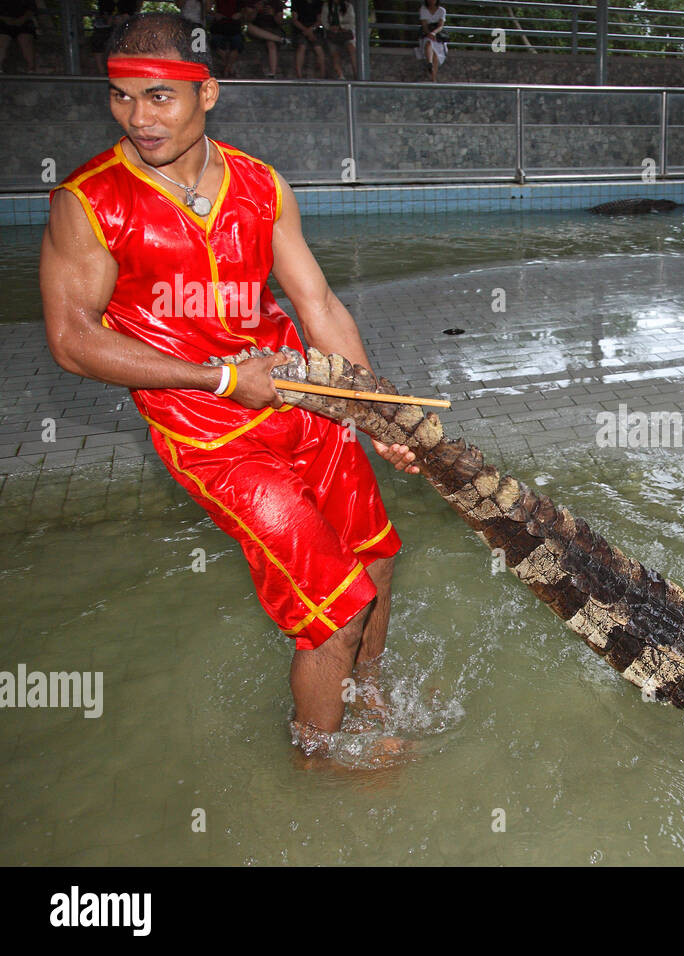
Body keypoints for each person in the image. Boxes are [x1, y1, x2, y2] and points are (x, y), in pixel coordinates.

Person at [39, 11, 420, 760]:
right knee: (334, 611)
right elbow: (71, 341)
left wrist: (375, 411)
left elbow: (317, 305)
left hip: (297, 395)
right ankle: (321, 757)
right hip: (208, 433)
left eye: (159, 98)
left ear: (206, 91)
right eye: (121, 97)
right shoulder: (88, 202)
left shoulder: (258, 183)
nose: (138, 118)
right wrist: (220, 377)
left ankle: (365, 692)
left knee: (374, 557)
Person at [244, 0, 291, 78]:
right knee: (250, 28)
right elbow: (248, 20)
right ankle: (281, 40)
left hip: (273, 30)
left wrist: (272, 14)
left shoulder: (276, 2)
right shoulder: (253, 3)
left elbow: (280, 22)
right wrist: (256, 10)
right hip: (258, 30)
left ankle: (273, 73)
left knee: (271, 44)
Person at [288, 0, 325, 79]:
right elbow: (294, 20)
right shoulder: (296, 2)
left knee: (318, 48)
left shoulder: (319, 3)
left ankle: (323, 75)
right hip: (300, 29)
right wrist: (306, 30)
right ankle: (299, 75)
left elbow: (319, 20)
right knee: (302, 46)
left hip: (314, 30)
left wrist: (311, 30)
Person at [0, 0, 38, 73]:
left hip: (23, 22)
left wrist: (22, 19)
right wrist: (5, 19)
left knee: (26, 42)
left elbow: (32, 9)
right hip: (3, 23)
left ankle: (31, 69)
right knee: (1, 43)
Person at [208, 0, 244, 76]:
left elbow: (244, 10)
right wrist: (215, 14)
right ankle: (228, 68)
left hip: (234, 26)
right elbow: (207, 8)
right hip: (219, 27)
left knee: (237, 43)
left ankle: (226, 69)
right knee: (215, 43)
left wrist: (239, 14)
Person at [322, 0, 354, 79]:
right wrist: (330, 28)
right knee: (335, 54)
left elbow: (351, 22)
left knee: (352, 50)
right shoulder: (326, 6)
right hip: (332, 34)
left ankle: (357, 73)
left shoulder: (348, 6)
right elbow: (324, 21)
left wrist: (341, 27)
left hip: (345, 33)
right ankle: (340, 76)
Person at [416, 0, 445, 82]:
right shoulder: (423, 9)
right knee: (428, 42)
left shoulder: (441, 10)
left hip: (437, 34)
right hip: (426, 33)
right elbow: (424, 25)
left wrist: (434, 33)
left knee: (435, 54)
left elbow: (440, 26)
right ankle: (429, 62)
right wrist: (429, 33)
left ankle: (433, 77)